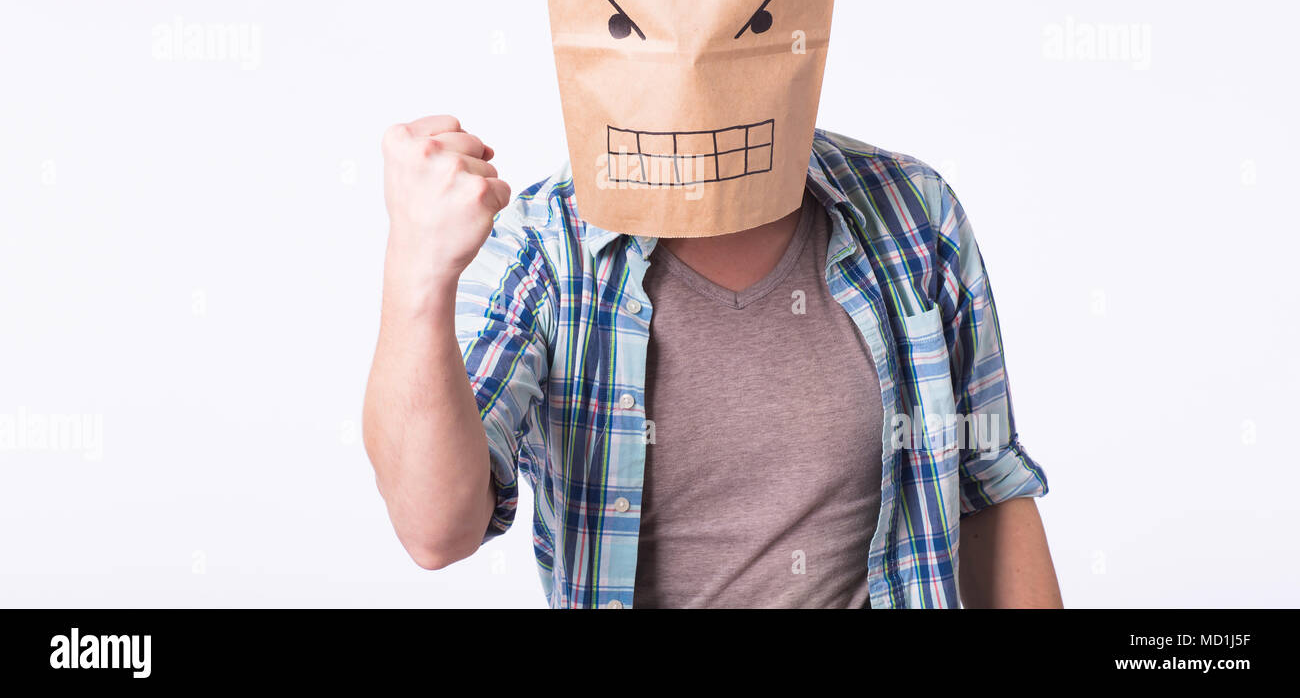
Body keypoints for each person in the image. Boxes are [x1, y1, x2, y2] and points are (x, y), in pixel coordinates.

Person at [362, 113, 1063, 609]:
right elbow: (436, 529)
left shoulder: (912, 212)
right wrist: (418, 276)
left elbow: (988, 489)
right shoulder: (544, 250)